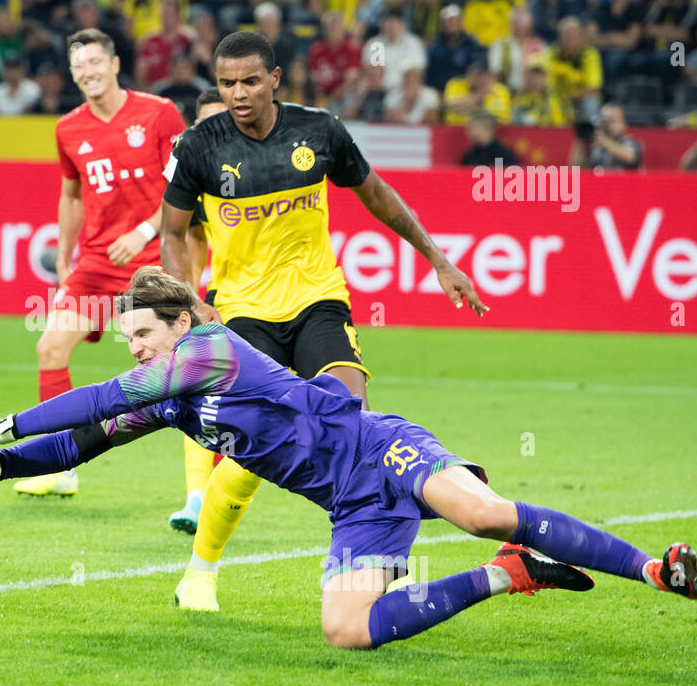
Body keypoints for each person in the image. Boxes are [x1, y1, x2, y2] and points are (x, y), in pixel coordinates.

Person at [0, 267, 697, 650]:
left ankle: (652, 569)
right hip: (353, 506)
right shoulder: (171, 395)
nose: (135, 349)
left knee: (479, 512)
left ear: (177, 323)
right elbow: (80, 441)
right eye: (130, 341)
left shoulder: (208, 348)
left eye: (142, 335)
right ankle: (510, 573)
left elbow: (101, 395)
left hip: (382, 447)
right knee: (346, 632)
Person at [157, 31, 487, 612]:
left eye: (250, 81)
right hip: (242, 310)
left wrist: (439, 259)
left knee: (353, 427)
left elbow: (377, 194)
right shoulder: (198, 146)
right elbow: (172, 233)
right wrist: (189, 303)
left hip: (318, 300)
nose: (238, 93)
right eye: (227, 82)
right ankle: (200, 573)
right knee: (250, 452)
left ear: (275, 79)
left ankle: (377, 565)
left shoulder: (319, 131)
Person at [17, 27, 184, 498]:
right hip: (96, 262)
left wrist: (145, 231)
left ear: (113, 64)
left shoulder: (158, 113)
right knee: (50, 348)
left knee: (183, 370)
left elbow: (183, 184)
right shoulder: (68, 127)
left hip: (153, 260)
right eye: (78, 67)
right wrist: (65, 257)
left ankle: (213, 474)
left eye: (94, 62)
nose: (87, 72)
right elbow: (71, 195)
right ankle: (58, 464)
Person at [169, 87, 229, 533]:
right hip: (220, 297)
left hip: (279, 298)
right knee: (194, 387)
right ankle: (196, 497)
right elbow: (186, 235)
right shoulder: (191, 162)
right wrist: (193, 302)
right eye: (204, 122)